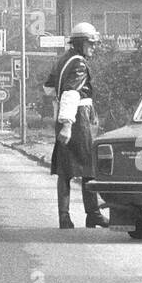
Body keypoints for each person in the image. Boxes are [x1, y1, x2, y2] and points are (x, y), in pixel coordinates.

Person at [47, 23, 108, 229]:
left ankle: (64, 217)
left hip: (65, 117)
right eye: (91, 43)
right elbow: (72, 93)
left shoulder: (62, 60)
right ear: (81, 43)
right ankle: (93, 214)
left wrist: (61, 117)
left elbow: (48, 87)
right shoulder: (80, 64)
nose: (94, 47)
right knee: (88, 168)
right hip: (78, 119)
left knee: (65, 170)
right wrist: (68, 124)